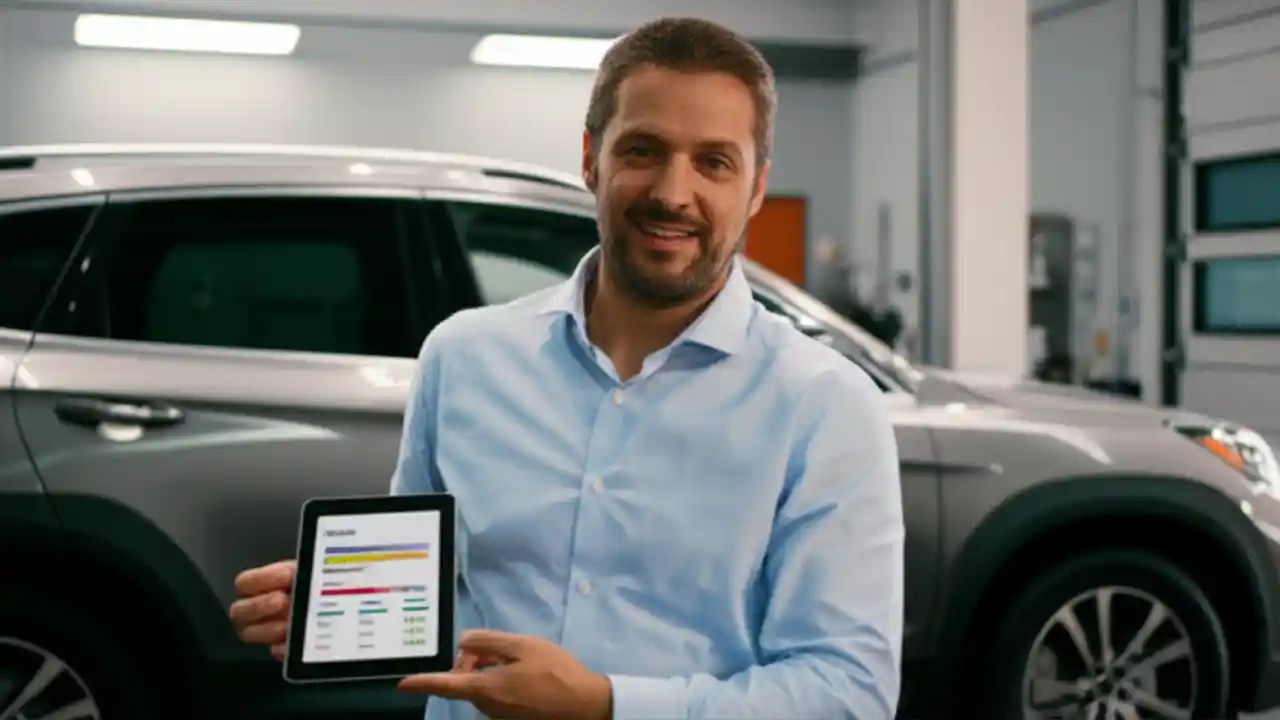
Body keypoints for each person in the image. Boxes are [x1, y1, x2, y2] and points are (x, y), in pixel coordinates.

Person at [230, 16, 905, 720]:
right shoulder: (463, 358)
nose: (673, 192)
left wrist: (605, 705)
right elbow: (428, 594)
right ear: (591, 159)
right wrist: (342, 606)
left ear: (756, 187)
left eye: (713, 162)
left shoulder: (824, 403)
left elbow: (847, 693)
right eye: (642, 150)